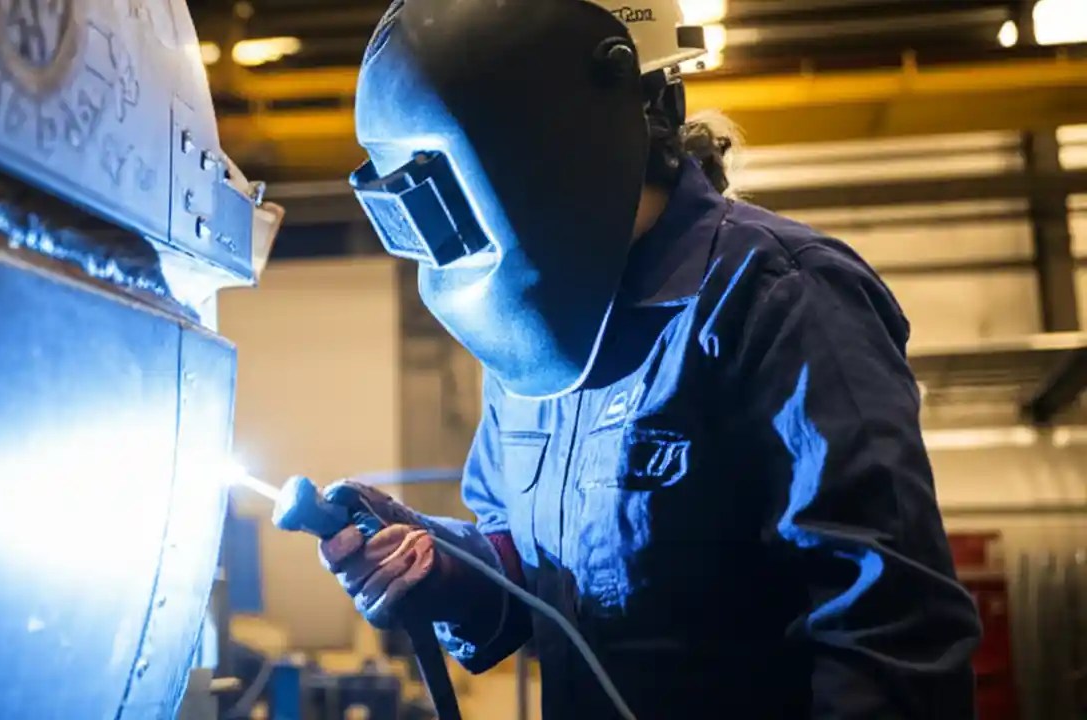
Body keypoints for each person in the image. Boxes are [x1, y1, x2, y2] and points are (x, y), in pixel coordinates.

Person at [276, 0, 982, 716]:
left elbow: (891, 632)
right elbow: (533, 579)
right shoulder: (536, 326)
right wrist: (441, 566)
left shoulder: (779, 296)